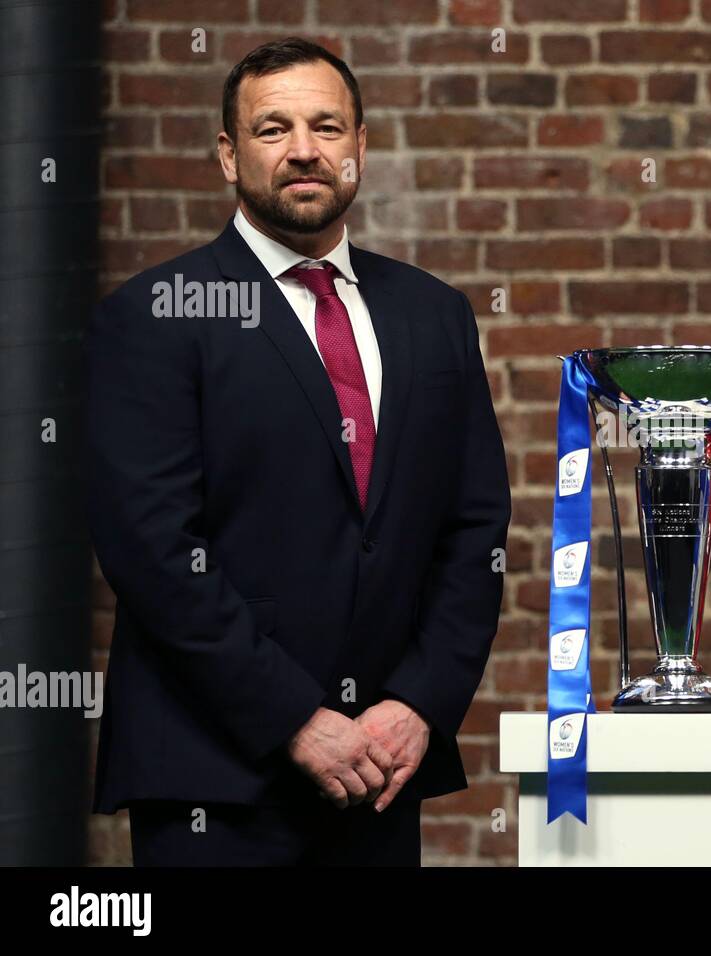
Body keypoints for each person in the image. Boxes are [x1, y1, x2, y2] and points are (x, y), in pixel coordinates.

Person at [84, 37, 511, 866]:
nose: (304, 150)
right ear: (228, 154)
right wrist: (295, 719)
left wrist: (417, 705)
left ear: (360, 147)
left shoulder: (435, 316)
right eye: (273, 129)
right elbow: (155, 554)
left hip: (383, 764)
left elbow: (474, 532)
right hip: (216, 776)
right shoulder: (157, 315)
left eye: (326, 127)